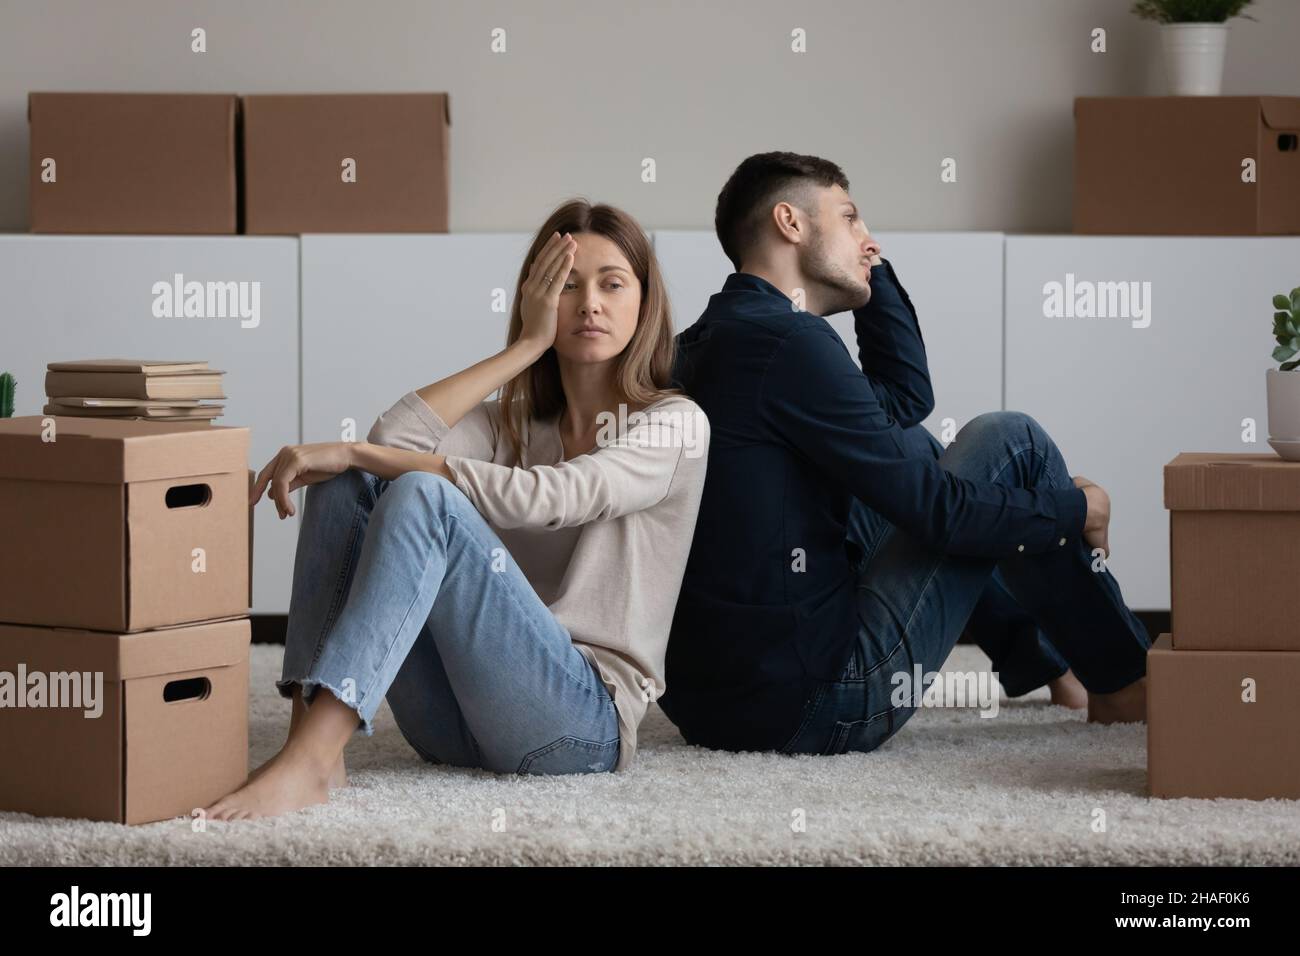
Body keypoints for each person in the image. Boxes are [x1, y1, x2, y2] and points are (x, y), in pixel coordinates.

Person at [205, 201, 709, 820]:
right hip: (454, 723)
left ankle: (308, 762)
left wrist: (356, 449)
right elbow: (391, 442)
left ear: (644, 302)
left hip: (579, 725)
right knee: (348, 479)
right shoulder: (510, 424)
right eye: (567, 285)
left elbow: (557, 497)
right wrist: (526, 347)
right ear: (536, 299)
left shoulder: (675, 425)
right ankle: (310, 748)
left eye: (612, 284)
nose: (589, 304)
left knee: (417, 489)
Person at [658, 151, 1150, 759]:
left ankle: (1044, 662)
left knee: (912, 449)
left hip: (707, 706)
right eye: (850, 218)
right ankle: (1123, 682)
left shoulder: (705, 341)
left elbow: (903, 402)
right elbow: (939, 511)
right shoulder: (791, 342)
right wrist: (1076, 509)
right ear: (791, 223)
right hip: (816, 702)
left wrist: (870, 271)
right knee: (1013, 442)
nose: (869, 240)